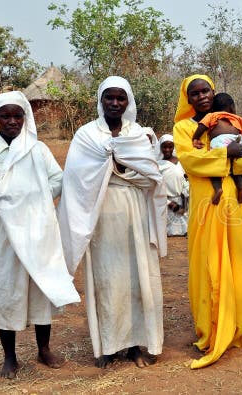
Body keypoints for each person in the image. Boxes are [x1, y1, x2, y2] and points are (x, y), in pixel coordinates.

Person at [0, 91, 80, 379]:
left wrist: (34, 199)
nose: (12, 121)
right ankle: (10, 357)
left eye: (18, 115)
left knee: (41, 286)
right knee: (7, 290)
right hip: (5, 231)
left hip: (38, 226)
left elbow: (57, 179)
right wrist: (22, 196)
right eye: (5, 116)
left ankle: (44, 349)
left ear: (25, 117)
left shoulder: (37, 149)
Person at [57, 76, 166, 369]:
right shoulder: (86, 135)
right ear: (101, 100)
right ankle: (107, 345)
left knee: (136, 278)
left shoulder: (139, 135)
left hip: (134, 213)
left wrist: (121, 167)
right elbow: (75, 180)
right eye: (110, 97)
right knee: (106, 280)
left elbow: (151, 177)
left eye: (121, 98)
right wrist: (110, 166)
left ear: (128, 101)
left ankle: (134, 346)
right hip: (101, 214)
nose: (115, 103)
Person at [172, 74, 242, 369]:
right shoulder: (184, 128)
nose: (202, 97)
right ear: (188, 99)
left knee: (241, 261)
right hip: (206, 204)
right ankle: (212, 329)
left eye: (206, 91)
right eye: (195, 93)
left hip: (235, 203)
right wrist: (226, 154)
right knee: (209, 265)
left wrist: (234, 156)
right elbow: (190, 161)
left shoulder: (229, 120)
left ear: (213, 91)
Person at [191, 93, 242, 204]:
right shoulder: (238, 119)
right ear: (232, 107)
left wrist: (195, 138)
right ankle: (241, 188)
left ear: (213, 108)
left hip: (219, 142)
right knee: (236, 168)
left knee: (215, 167)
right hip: (236, 141)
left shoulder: (212, 116)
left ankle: (218, 189)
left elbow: (202, 126)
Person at [158, 134, 189, 236]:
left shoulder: (181, 163)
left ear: (173, 147)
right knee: (167, 233)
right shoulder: (158, 165)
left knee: (184, 230)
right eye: (164, 147)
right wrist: (169, 203)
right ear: (160, 148)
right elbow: (156, 188)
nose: (167, 150)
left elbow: (185, 183)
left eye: (170, 147)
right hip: (165, 204)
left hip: (181, 204)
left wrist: (185, 203)